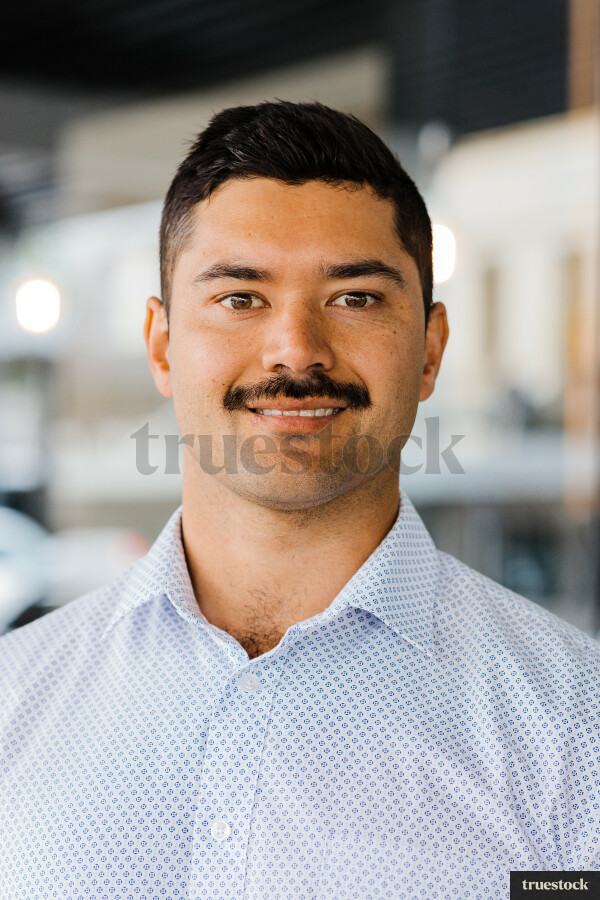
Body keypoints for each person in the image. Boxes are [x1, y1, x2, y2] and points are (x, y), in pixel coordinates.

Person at [1, 101, 599, 900]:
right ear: (162, 346)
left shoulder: (576, 726)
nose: (296, 351)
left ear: (430, 351)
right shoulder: (14, 699)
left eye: (355, 298)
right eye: (240, 297)